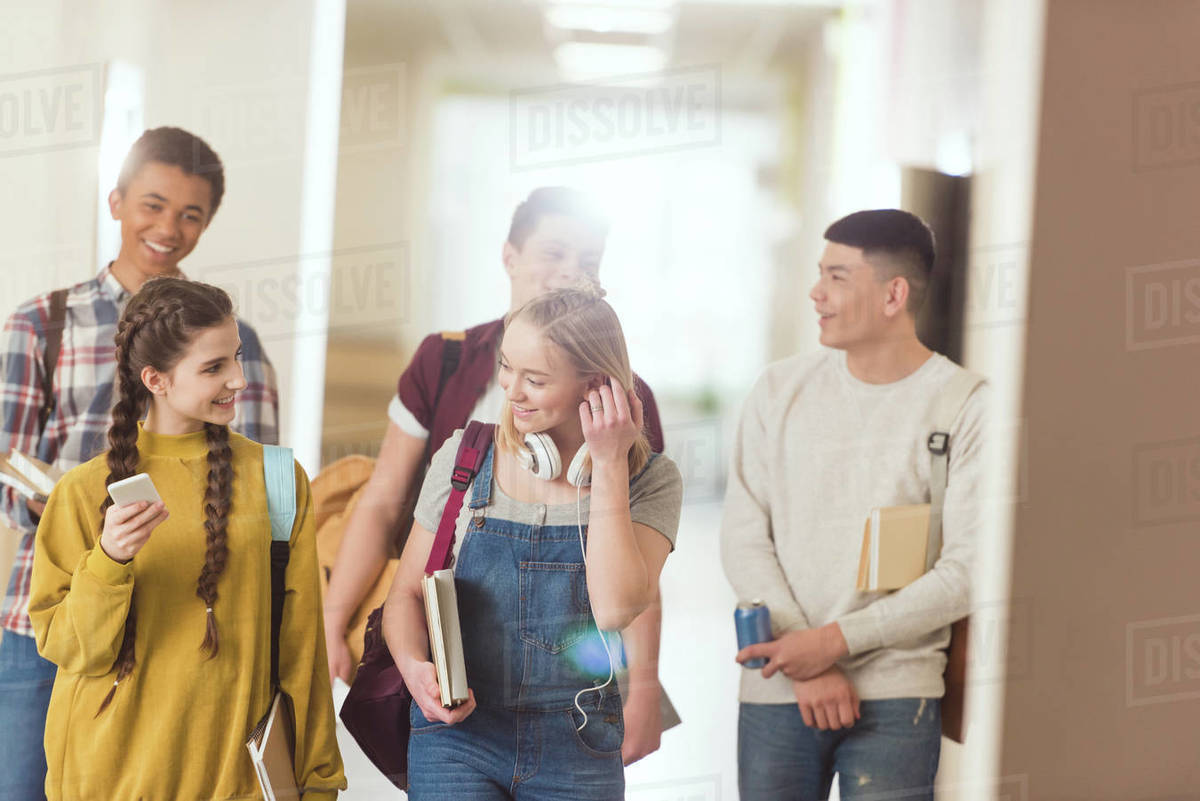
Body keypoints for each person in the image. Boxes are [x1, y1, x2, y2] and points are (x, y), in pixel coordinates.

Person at [323, 187, 671, 763]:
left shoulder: (625, 401)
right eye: (553, 253)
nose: (570, 274)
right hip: (449, 655)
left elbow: (640, 561)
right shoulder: (446, 360)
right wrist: (335, 619)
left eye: (588, 261)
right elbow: (384, 499)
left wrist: (644, 687)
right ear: (509, 256)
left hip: (570, 676)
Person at [0, 127, 278, 800]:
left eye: (191, 215)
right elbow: (9, 474)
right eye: (153, 204)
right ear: (117, 200)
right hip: (49, 621)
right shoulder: (43, 323)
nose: (169, 228)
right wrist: (97, 526)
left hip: (185, 631)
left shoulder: (237, 347)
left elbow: (261, 498)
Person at [28, 277, 344, 800]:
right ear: (156, 379)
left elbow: (303, 646)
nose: (240, 380)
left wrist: (319, 779)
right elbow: (68, 648)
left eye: (237, 357)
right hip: (108, 775)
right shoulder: (82, 492)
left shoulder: (279, 480)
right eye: (214, 367)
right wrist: (109, 559)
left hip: (236, 777)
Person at [720, 209, 987, 801]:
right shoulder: (777, 390)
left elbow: (969, 570)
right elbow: (744, 536)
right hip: (777, 686)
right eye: (820, 274)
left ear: (894, 294)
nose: (816, 293)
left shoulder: (965, 405)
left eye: (837, 277)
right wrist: (804, 658)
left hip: (897, 694)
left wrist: (833, 643)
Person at [383, 286, 682, 800]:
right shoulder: (465, 457)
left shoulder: (650, 481)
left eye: (535, 379)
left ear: (597, 386)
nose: (511, 390)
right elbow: (405, 594)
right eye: (506, 367)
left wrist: (608, 464)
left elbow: (614, 608)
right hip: (458, 737)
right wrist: (415, 670)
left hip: (581, 744)